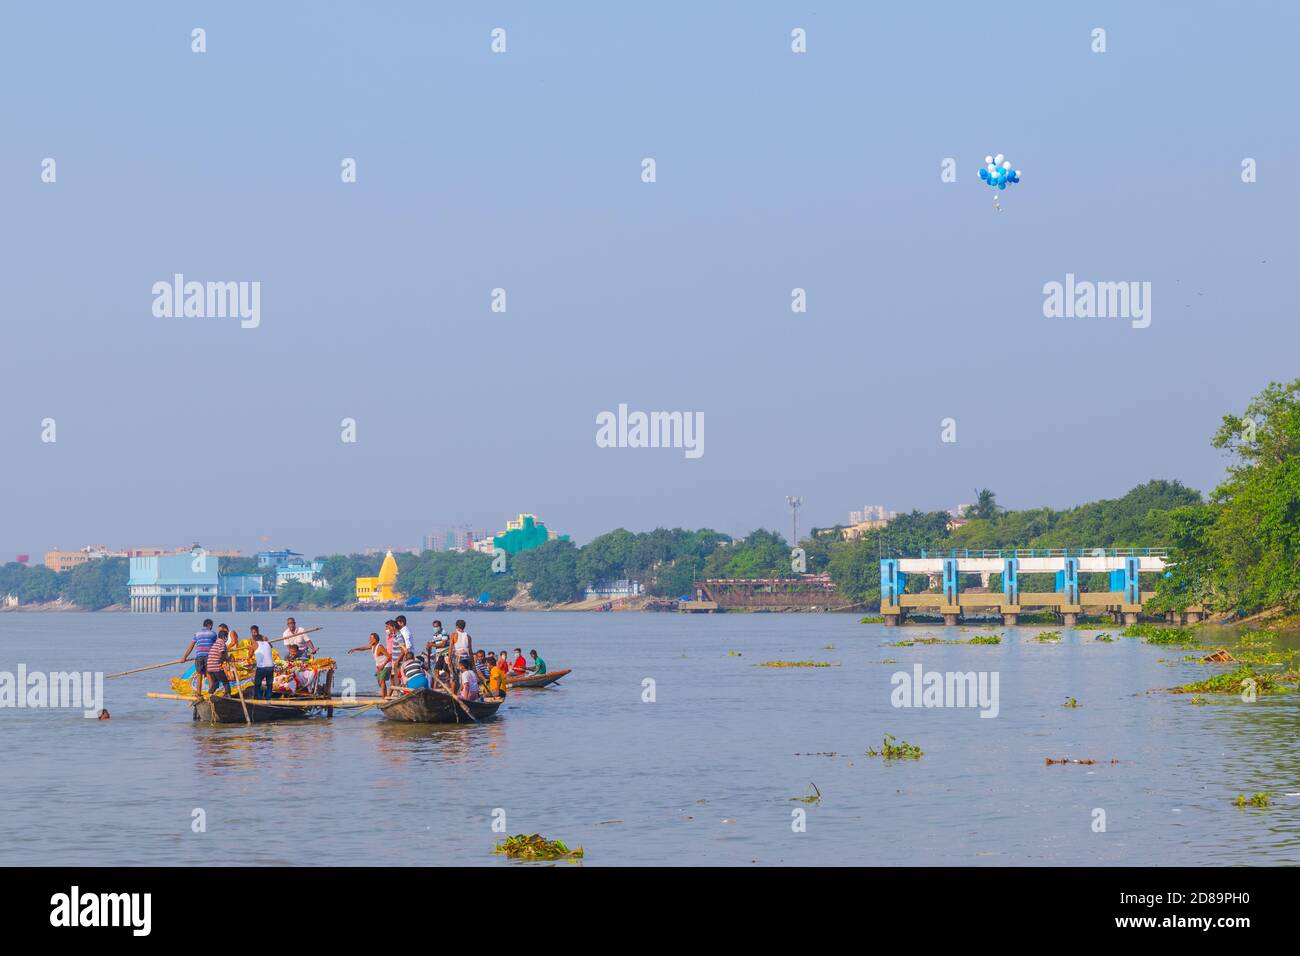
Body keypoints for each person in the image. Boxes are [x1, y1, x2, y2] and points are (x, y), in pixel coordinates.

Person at [182, 619, 219, 696]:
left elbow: (191, 647)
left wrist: (184, 657)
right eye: (211, 625)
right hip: (209, 656)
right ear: (210, 625)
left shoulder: (197, 634)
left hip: (199, 657)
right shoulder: (213, 634)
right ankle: (211, 694)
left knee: (199, 675)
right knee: (209, 675)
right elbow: (217, 646)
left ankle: (198, 693)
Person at [206, 625, 235, 697]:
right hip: (216, 667)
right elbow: (221, 654)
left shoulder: (214, 643)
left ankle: (209, 694)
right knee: (225, 682)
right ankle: (228, 694)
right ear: (224, 637)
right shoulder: (221, 643)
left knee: (215, 683)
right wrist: (228, 659)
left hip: (209, 667)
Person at [252, 627, 276, 700]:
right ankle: (268, 698)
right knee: (269, 684)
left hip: (262, 668)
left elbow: (249, 655)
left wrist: (251, 648)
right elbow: (270, 646)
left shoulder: (255, 644)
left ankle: (258, 698)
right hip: (271, 667)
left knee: (257, 683)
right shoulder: (267, 643)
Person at [449, 620, 473, 688]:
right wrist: (473, 663)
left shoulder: (454, 634)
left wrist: (449, 661)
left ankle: (454, 693)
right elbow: (470, 651)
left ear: (456, 626)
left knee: (455, 677)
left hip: (458, 658)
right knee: (465, 676)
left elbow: (450, 648)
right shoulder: (468, 636)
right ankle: (464, 691)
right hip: (467, 658)